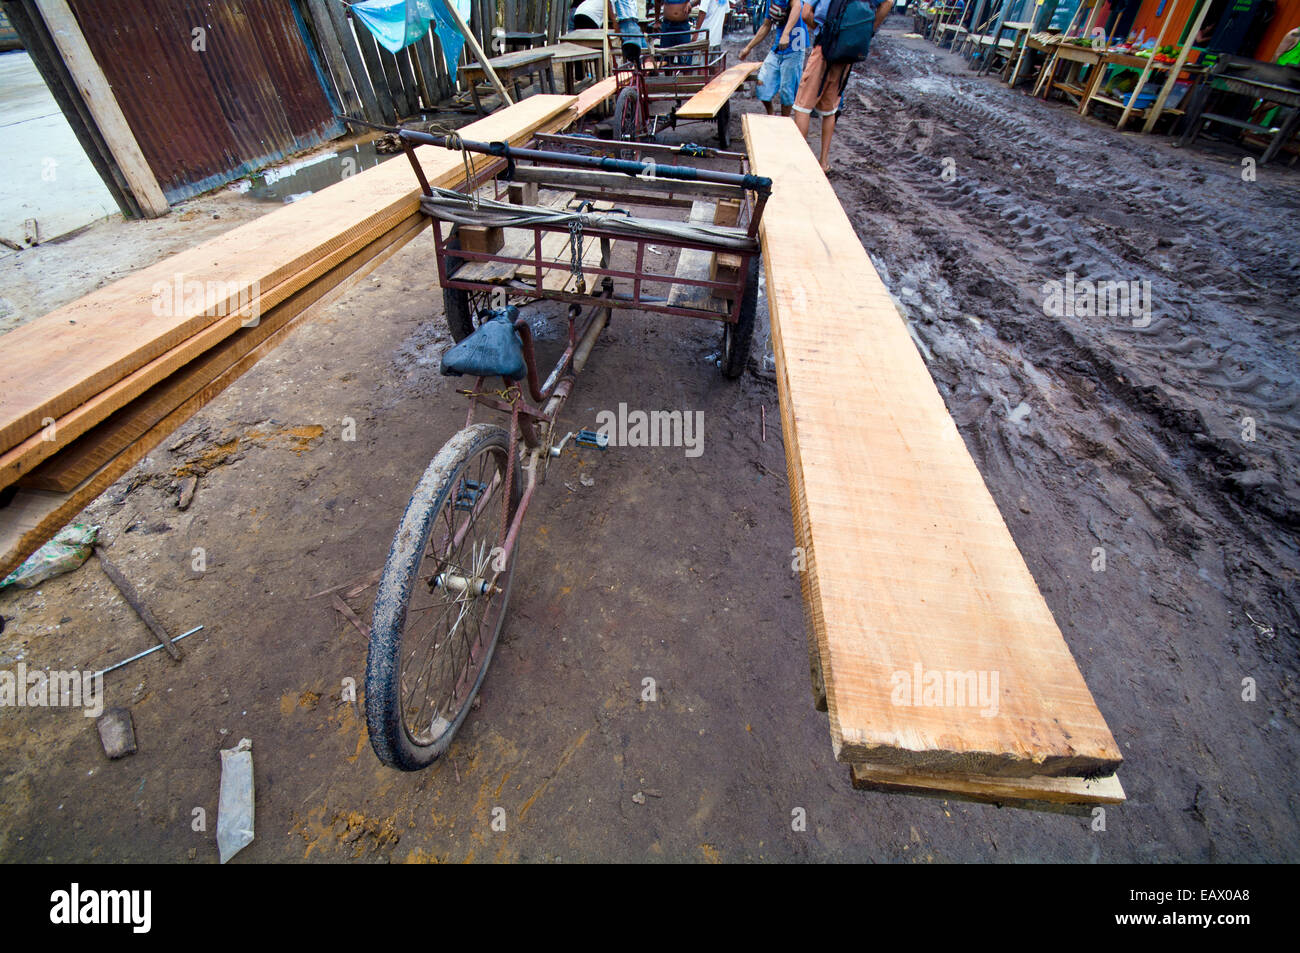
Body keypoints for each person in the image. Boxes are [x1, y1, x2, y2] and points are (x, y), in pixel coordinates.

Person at [792, 0, 893, 172]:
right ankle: (823, 162)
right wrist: (868, 31)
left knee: (803, 106)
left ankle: (800, 162)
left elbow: (806, 13)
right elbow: (888, 2)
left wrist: (824, 31)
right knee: (830, 109)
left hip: (824, 49)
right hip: (847, 51)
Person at [741, 1, 811, 116]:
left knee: (787, 90)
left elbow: (797, 6)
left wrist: (786, 33)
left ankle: (785, 120)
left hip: (795, 47)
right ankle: (770, 113)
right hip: (778, 48)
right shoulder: (770, 1)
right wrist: (748, 47)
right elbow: (766, 25)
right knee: (762, 82)